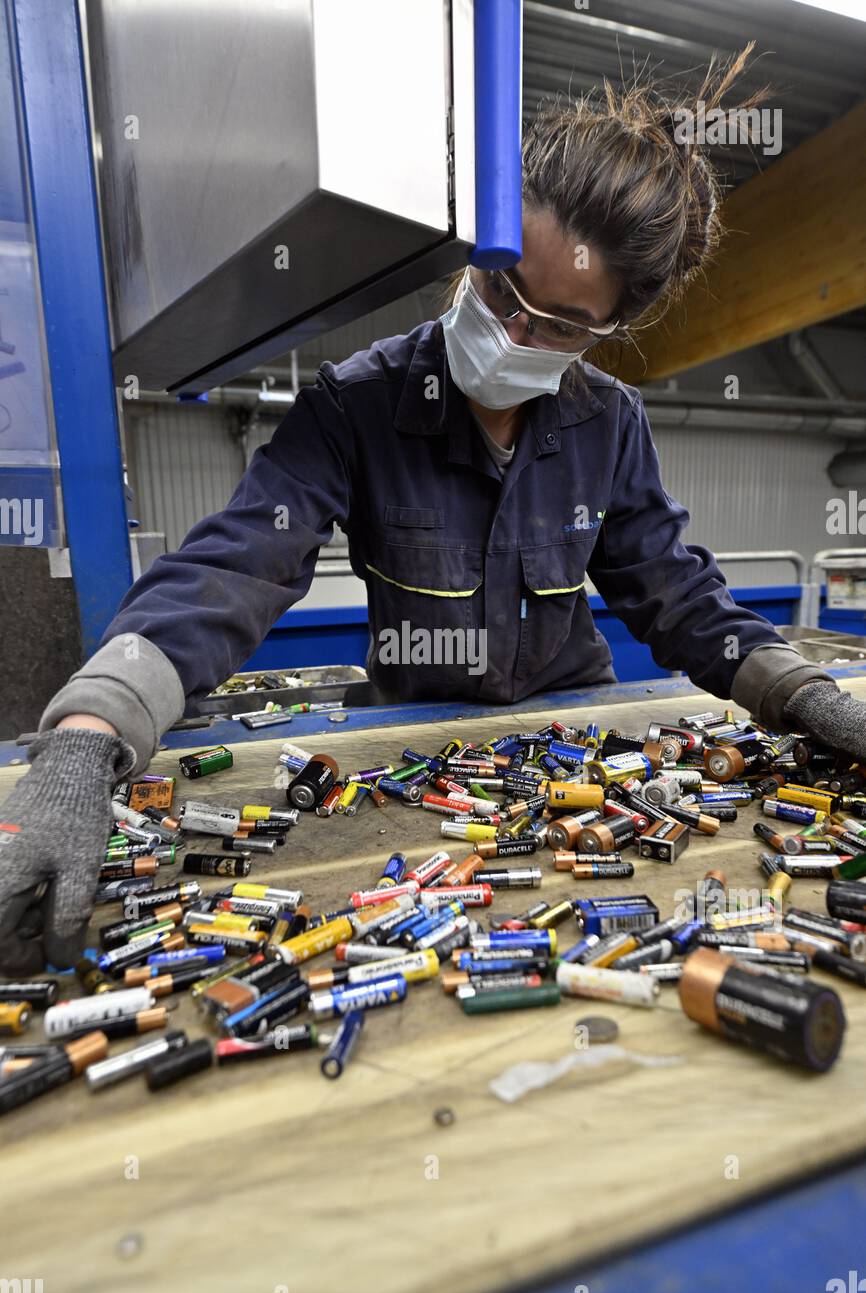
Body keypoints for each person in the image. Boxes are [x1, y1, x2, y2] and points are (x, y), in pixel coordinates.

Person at [0, 54, 861, 974]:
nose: (516, 332)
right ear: (476, 253)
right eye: (502, 289)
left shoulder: (611, 424)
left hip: (575, 769)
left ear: (610, 329)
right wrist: (91, 732)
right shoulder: (354, 405)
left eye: (561, 323)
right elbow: (235, 564)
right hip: (413, 768)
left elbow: (680, 597)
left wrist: (799, 690)